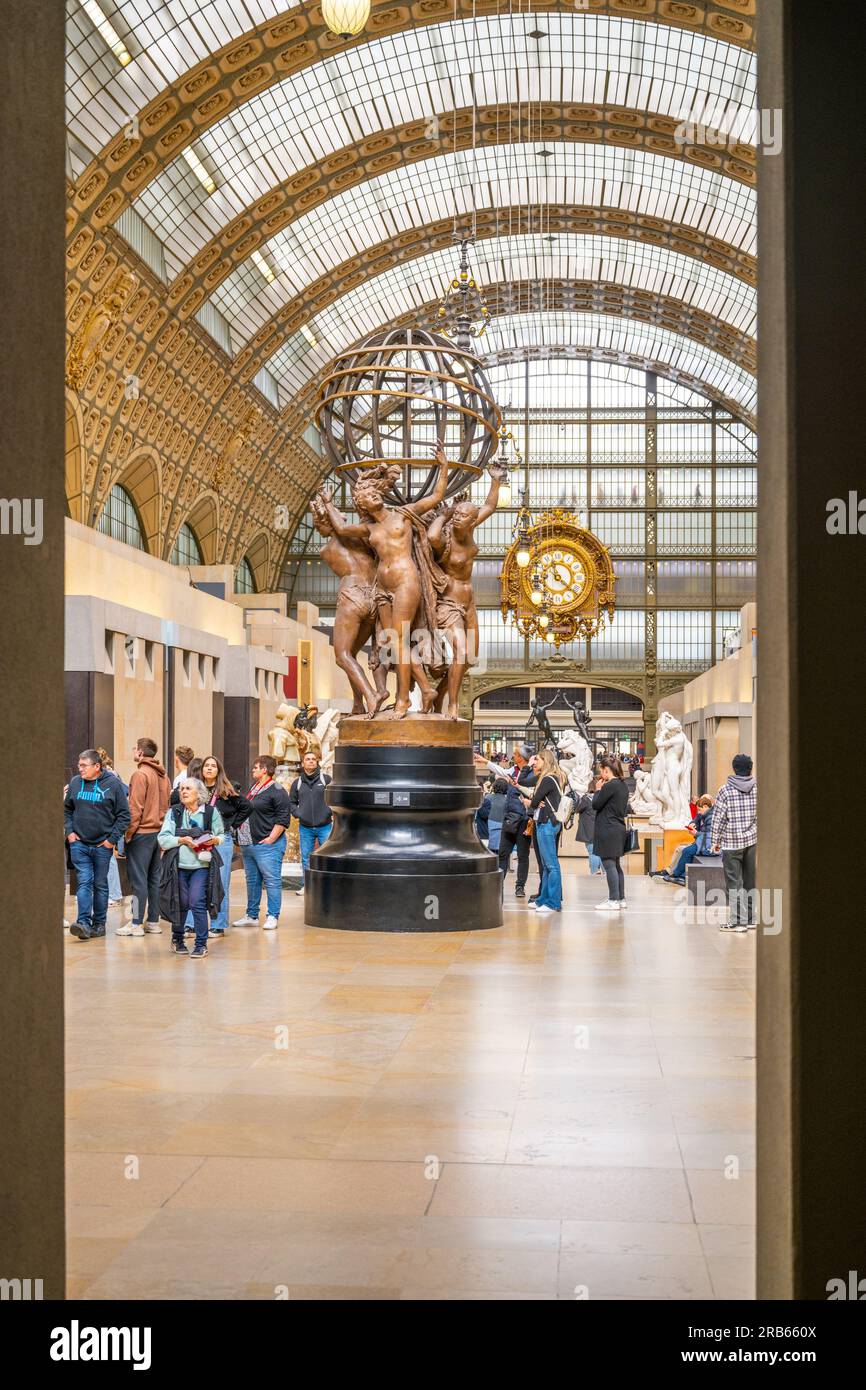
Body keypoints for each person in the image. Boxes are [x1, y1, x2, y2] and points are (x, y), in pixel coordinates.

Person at [64, 749, 131, 940]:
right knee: (84, 882)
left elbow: (124, 816)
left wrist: (111, 840)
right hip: (80, 844)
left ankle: (99, 924)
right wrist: (70, 832)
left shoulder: (113, 784)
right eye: (79, 765)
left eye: (84, 765)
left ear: (97, 766)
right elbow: (67, 809)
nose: (80, 768)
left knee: (100, 884)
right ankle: (83, 923)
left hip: (103, 846)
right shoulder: (76, 783)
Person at [157, 777, 225, 958]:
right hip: (177, 866)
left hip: (201, 866)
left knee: (197, 902)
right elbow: (163, 838)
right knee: (181, 903)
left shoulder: (210, 812)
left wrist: (214, 840)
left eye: (188, 789)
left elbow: (221, 835)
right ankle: (177, 939)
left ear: (199, 794)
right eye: (181, 789)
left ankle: (201, 944)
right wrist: (181, 840)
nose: (183, 792)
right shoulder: (175, 812)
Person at [119, 736, 170, 938]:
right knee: (153, 879)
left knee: (138, 880)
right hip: (159, 833)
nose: (133, 752)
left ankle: (136, 922)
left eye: (134, 749)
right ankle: (153, 922)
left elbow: (134, 809)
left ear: (140, 752)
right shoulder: (164, 776)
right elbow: (166, 807)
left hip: (141, 834)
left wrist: (128, 834)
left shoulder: (140, 774)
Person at [233, 755, 291, 930]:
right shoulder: (255, 787)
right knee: (252, 881)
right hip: (249, 843)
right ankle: (251, 915)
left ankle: (273, 915)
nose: (253, 770)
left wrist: (272, 838)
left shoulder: (277, 790)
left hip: (267, 844)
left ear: (265, 769)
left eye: (256, 768)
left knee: (272, 881)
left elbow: (283, 818)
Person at [198, 754, 250, 935]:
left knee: (220, 882)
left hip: (221, 840)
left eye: (213, 766)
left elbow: (247, 807)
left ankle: (218, 925)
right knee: (198, 880)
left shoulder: (226, 789)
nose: (209, 768)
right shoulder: (197, 788)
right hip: (200, 839)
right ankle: (194, 923)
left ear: (218, 770)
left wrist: (233, 824)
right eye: (206, 766)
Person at [711, 754, 757, 933]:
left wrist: (716, 841)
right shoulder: (757, 789)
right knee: (750, 881)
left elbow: (718, 819)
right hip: (752, 841)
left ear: (734, 768)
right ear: (750, 768)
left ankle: (738, 922)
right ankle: (752, 919)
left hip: (731, 843)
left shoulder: (725, 790)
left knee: (734, 883)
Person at [520, 748, 566, 914]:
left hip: (547, 823)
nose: (535, 763)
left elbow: (534, 802)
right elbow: (530, 792)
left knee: (551, 865)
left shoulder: (548, 779)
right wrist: (533, 801)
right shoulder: (549, 778)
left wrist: (529, 801)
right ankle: (543, 899)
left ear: (545, 762)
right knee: (547, 865)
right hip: (545, 822)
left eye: (537, 760)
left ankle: (553, 902)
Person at [289, 750, 333, 897]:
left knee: (326, 856)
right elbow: (292, 803)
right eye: (308, 759)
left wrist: (328, 812)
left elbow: (334, 799)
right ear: (303, 763)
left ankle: (327, 885)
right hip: (305, 827)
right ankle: (306, 886)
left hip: (325, 826)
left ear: (317, 762)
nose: (311, 761)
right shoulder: (297, 782)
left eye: (313, 759)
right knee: (306, 857)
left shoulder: (326, 779)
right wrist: (298, 814)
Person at [591, 755, 630, 911]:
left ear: (606, 770)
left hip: (608, 829)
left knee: (609, 865)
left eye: (601, 771)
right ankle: (621, 898)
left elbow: (596, 804)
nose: (601, 774)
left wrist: (598, 790)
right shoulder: (623, 785)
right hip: (618, 828)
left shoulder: (609, 786)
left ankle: (613, 900)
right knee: (616, 865)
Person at [651, 795, 716, 884]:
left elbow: (710, 836)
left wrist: (696, 833)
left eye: (700, 810)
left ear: (705, 806)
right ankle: (673, 873)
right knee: (682, 849)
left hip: (708, 845)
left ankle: (677, 875)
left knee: (686, 851)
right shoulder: (705, 814)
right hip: (702, 842)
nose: (699, 812)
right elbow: (695, 819)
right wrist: (692, 824)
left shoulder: (711, 817)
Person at [94, 748, 126, 905]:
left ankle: (115, 893)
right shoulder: (112, 774)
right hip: (105, 820)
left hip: (108, 821)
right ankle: (111, 893)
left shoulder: (110, 776)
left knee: (109, 858)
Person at [576, 775, 605, 876]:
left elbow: (577, 809)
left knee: (592, 852)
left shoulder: (586, 799)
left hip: (589, 830)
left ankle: (594, 872)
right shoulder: (602, 797)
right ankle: (605, 871)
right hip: (601, 828)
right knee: (601, 852)